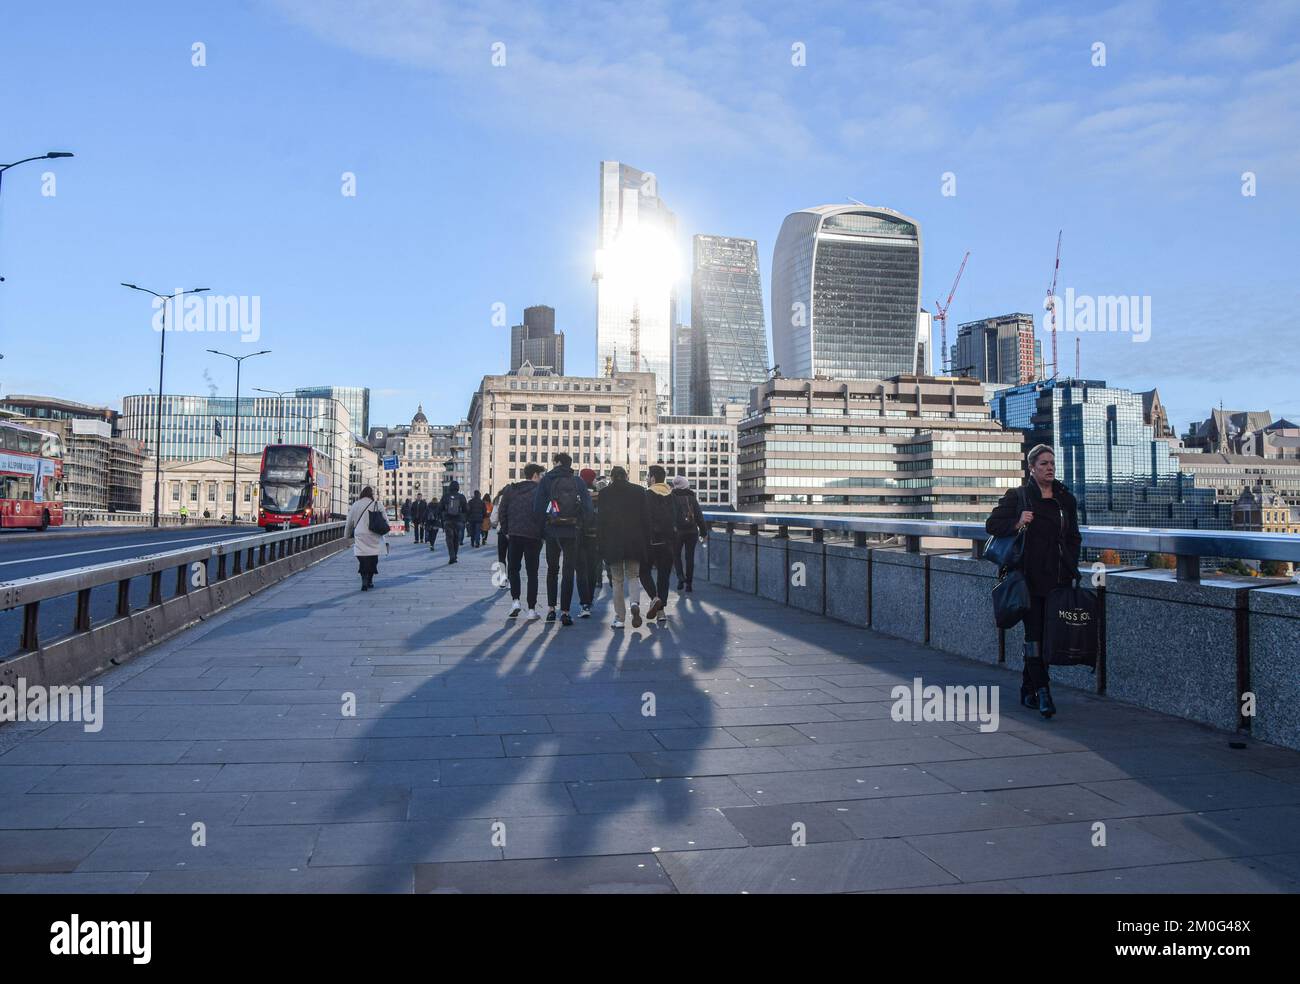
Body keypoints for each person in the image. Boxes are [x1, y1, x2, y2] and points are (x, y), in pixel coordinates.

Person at [985, 444, 1082, 719]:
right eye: (1043, 464)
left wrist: (1071, 563)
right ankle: (1043, 692)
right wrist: (1017, 523)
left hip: (1058, 578)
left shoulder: (1065, 499)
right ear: (1031, 468)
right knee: (1034, 637)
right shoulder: (1019, 497)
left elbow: (1073, 537)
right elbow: (991, 525)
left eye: (1052, 463)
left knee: (1047, 637)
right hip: (1028, 579)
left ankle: (1027, 689)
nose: (1049, 468)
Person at [533, 452, 592, 625]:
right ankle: (565, 611)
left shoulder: (546, 480)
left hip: (552, 530)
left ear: (557, 462)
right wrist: (581, 524)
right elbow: (588, 507)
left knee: (552, 570)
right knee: (568, 571)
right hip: (572, 531)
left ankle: (551, 609)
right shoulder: (578, 481)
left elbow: (538, 508)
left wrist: (543, 529)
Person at [597, 465, 649, 628]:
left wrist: (601, 544)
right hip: (634, 541)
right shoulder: (639, 491)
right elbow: (646, 518)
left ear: (612, 477)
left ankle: (620, 618)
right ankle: (634, 602)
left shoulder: (604, 493)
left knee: (617, 580)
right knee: (634, 576)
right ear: (626, 476)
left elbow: (601, 521)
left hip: (613, 542)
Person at [498, 463, 546, 619]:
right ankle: (531, 610)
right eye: (541, 475)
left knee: (514, 569)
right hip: (534, 536)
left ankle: (516, 601)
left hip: (515, 535)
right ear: (535, 476)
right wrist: (543, 533)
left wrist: (506, 531)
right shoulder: (540, 491)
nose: (542, 478)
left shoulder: (511, 489)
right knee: (532, 573)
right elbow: (544, 513)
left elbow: (502, 511)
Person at [669, 475, 708, 592]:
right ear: (686, 485)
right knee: (689, 557)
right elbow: (699, 517)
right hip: (692, 531)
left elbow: (670, 515)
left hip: (677, 532)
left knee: (676, 555)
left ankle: (681, 577)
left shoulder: (671, 497)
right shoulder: (692, 497)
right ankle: (689, 584)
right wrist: (703, 532)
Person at [345, 486, 386, 591]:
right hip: (374, 535)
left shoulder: (355, 505)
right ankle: (370, 579)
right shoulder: (378, 504)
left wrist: (347, 535)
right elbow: (385, 520)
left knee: (362, 558)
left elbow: (349, 522)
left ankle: (364, 578)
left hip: (360, 535)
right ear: (371, 494)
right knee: (373, 557)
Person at [576, 468, 602, 618]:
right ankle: (590, 600)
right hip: (594, 535)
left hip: (578, 534)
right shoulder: (598, 494)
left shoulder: (576, 493)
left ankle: (584, 602)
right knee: (592, 569)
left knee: (580, 570)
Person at [439, 481, 469, 564]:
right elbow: (466, 509)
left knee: (449, 539)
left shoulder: (445, 496)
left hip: (448, 520)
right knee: (456, 539)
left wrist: (442, 516)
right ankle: (455, 555)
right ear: (458, 487)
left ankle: (451, 555)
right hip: (459, 521)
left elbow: (440, 508)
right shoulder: (461, 497)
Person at [492, 487, 510, 566]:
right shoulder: (515, 497)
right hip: (513, 530)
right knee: (512, 557)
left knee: (501, 557)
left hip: (501, 530)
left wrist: (495, 524)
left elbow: (494, 517)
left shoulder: (498, 499)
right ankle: (511, 576)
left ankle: (503, 576)